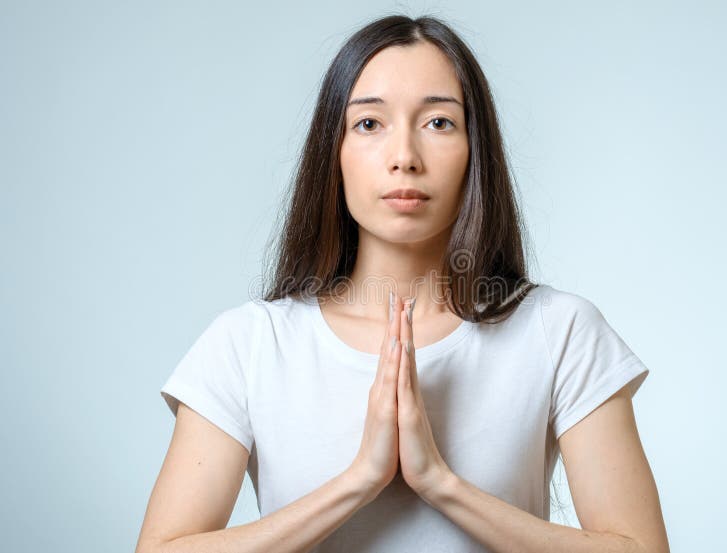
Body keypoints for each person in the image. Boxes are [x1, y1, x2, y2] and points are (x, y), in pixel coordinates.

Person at [135, 14, 670, 553]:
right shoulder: (249, 344)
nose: (405, 158)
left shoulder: (561, 331)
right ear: (333, 152)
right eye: (370, 124)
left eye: (439, 123)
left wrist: (441, 484)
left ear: (474, 151)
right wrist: (358, 482)